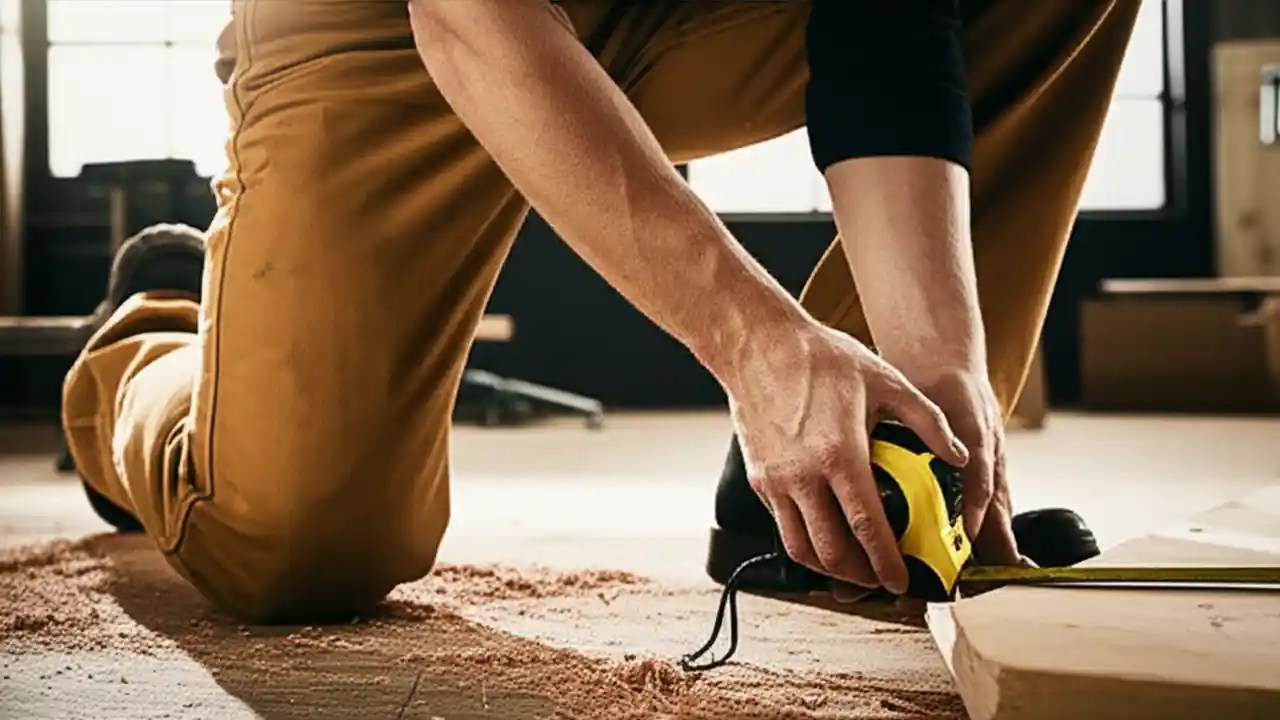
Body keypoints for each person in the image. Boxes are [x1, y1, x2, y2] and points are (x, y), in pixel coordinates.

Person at [61, 0, 1139, 622]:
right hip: (391, 21)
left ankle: (842, 477)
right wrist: (756, 345)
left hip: (686, 10)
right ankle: (157, 327)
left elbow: (889, 15)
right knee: (297, 549)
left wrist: (934, 356)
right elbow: (468, 16)